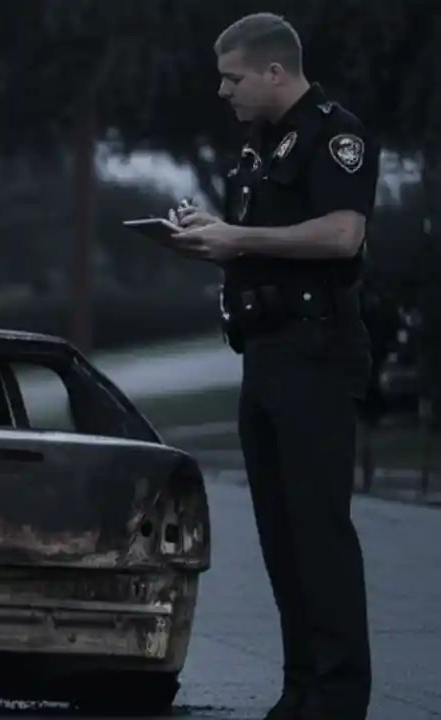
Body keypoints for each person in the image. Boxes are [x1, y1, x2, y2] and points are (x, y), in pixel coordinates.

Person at [166, 13, 379, 720]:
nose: (224, 92)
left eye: (233, 78)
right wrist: (210, 236)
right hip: (264, 352)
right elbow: (259, 242)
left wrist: (239, 235)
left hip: (315, 352)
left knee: (319, 532)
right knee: (281, 536)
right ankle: (301, 692)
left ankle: (340, 698)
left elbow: (343, 235)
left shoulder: (334, 136)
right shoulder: (258, 149)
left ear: (274, 72)